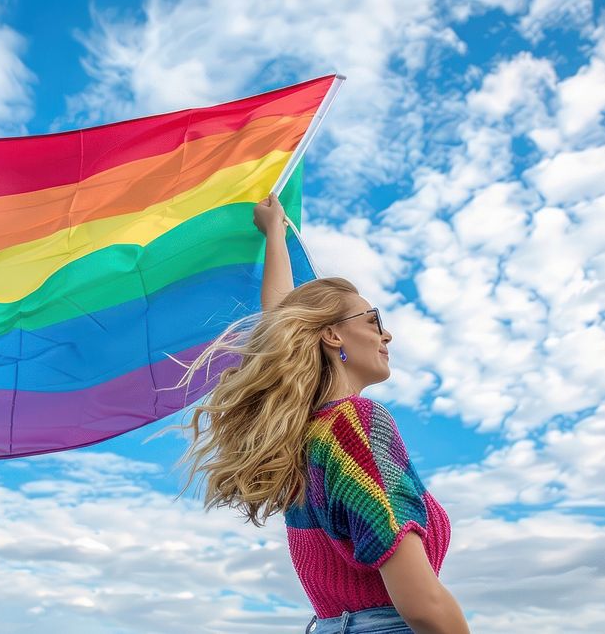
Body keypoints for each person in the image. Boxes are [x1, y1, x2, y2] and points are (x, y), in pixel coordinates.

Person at [159, 192, 471, 633]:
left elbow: (281, 317)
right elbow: (421, 605)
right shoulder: (354, 427)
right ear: (332, 336)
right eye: (373, 320)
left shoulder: (304, 433)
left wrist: (275, 235)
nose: (388, 334)